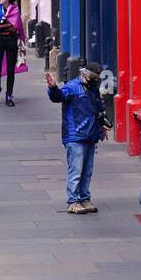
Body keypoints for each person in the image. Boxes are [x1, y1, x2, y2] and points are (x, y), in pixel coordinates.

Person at [46, 62, 108, 214]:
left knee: (87, 170)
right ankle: (73, 201)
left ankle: (84, 198)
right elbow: (58, 97)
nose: (96, 80)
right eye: (94, 77)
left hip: (90, 134)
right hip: (75, 135)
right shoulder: (73, 87)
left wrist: (102, 126)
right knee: (76, 169)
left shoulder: (92, 88)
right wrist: (53, 87)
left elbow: (97, 109)